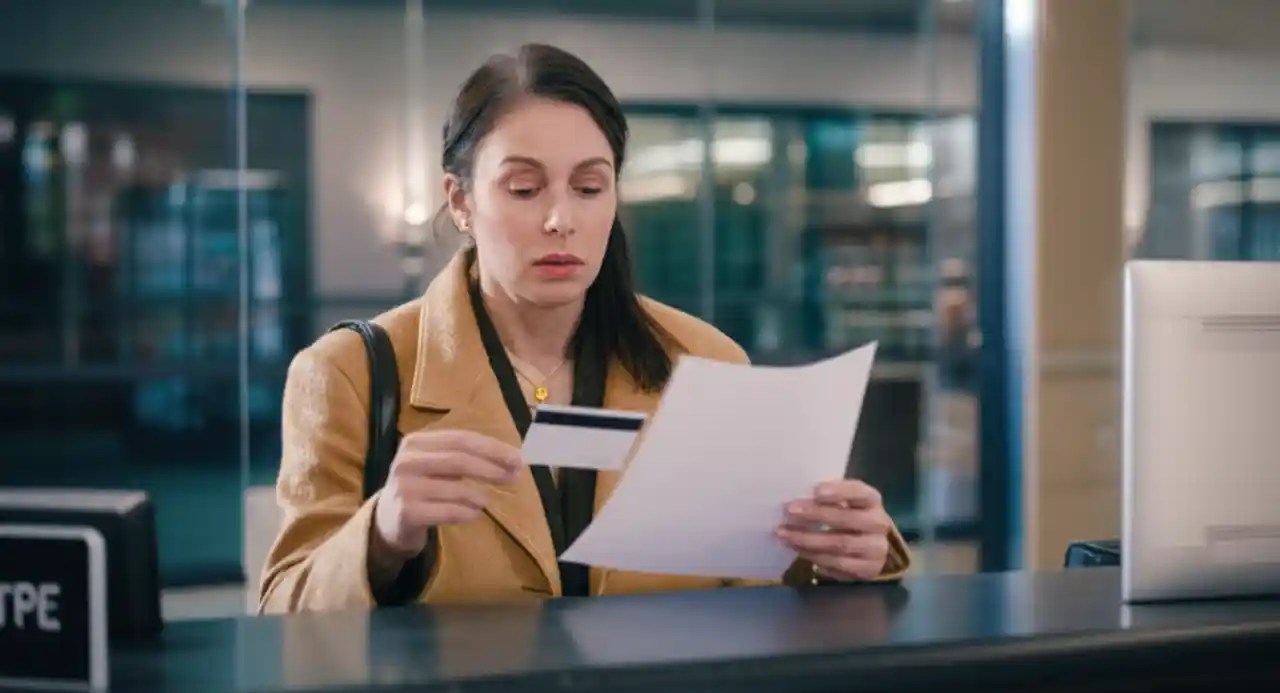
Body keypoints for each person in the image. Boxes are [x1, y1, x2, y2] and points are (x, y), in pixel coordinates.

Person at [258, 43, 910, 614]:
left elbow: (762, 587)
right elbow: (283, 613)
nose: (560, 219)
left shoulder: (704, 361)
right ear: (459, 201)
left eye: (589, 188)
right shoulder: (351, 372)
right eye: (524, 188)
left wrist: (843, 555)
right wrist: (382, 536)